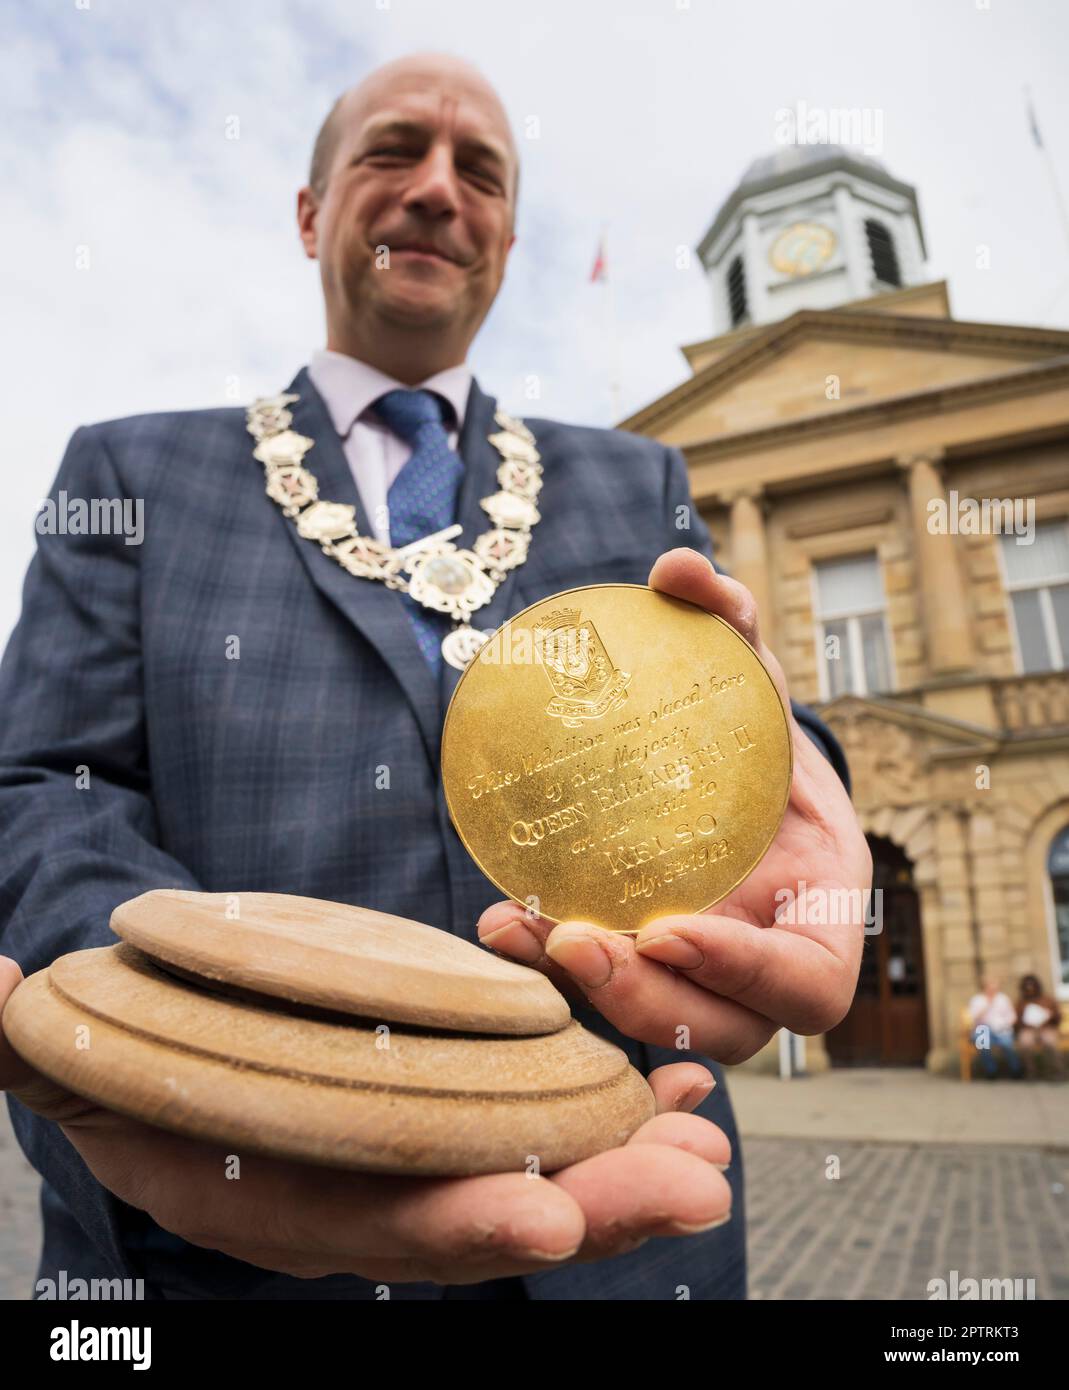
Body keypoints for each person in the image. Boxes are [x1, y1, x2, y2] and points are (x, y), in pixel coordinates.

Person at [0, 51, 869, 1301]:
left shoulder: (635, 481)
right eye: (392, 150)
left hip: (621, 1213)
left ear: (507, 238)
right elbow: (43, 784)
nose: (436, 189)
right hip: (220, 1225)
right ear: (311, 212)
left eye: (481, 172)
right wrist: (175, 1056)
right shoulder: (130, 474)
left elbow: (743, 722)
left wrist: (812, 781)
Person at [968, 976, 1023, 1080]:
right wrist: (987, 1005)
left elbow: (1012, 1016)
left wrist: (1005, 1024)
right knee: (983, 1044)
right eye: (991, 988)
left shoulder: (1003, 999)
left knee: (1007, 1044)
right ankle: (991, 1070)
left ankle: (1016, 1069)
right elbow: (973, 1017)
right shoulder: (977, 1000)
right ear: (985, 988)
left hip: (1001, 1028)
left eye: (996, 988)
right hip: (983, 1028)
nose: (993, 991)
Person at [1015, 974, 1064, 1080]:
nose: (1030, 988)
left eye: (1032, 985)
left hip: (1047, 1028)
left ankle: (1056, 1072)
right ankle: (1031, 1072)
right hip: (1028, 1029)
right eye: (1027, 986)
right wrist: (1025, 1023)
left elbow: (1058, 1017)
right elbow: (1016, 1021)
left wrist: (1050, 1015)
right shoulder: (1021, 1003)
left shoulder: (1048, 999)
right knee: (1025, 1043)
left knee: (1050, 1043)